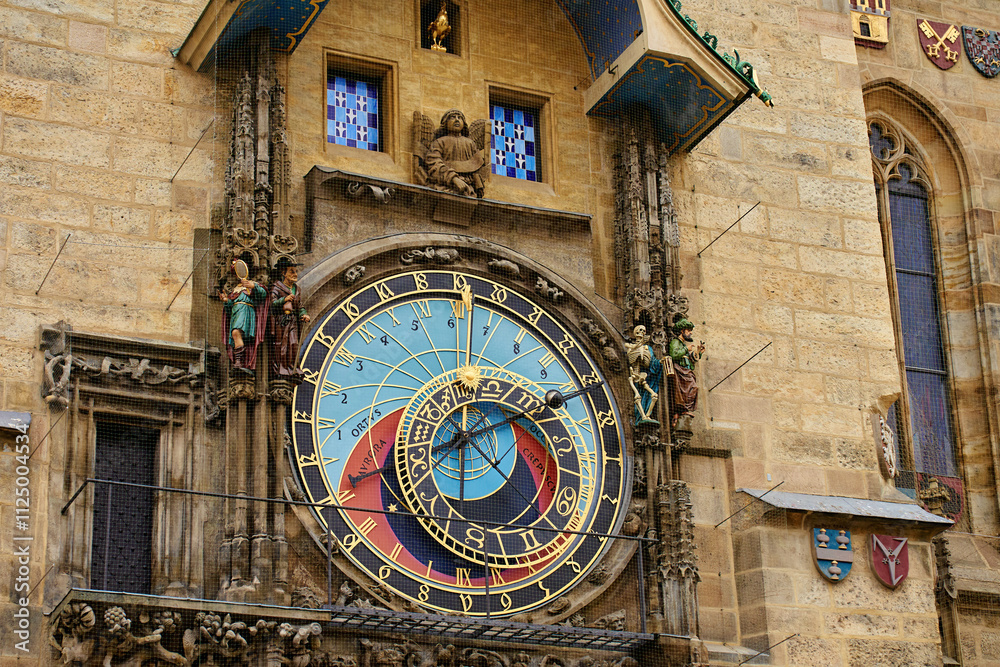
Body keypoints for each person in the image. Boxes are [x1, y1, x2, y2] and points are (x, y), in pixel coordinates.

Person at [219, 262, 268, 373]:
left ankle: (239, 361)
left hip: (246, 311)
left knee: (236, 333)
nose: (237, 275)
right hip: (236, 313)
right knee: (235, 335)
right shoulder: (236, 289)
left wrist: (254, 286)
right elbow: (228, 310)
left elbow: (263, 295)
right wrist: (226, 301)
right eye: (235, 273)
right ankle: (239, 362)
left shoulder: (250, 284)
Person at [425, 109, 485, 198]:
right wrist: (454, 179)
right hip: (446, 186)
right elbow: (434, 164)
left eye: (460, 118)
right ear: (445, 123)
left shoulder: (470, 144)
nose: (457, 120)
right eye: (452, 117)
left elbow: (477, 166)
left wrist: (479, 186)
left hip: (469, 189)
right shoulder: (439, 142)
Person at [269, 258, 310, 382]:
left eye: (296, 271)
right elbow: (272, 303)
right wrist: (284, 300)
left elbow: (300, 306)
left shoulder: (296, 289)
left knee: (293, 344)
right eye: (291, 271)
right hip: (281, 321)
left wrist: (304, 314)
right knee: (282, 345)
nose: (295, 274)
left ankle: (292, 367)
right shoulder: (277, 287)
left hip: (292, 321)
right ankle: (282, 368)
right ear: (283, 273)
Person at [668, 318, 705, 427]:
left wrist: (698, 353)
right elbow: (674, 355)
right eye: (688, 331)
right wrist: (686, 349)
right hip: (679, 372)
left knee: (693, 388)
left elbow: (688, 360)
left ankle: (684, 409)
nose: (690, 333)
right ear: (682, 331)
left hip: (685, 372)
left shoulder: (683, 344)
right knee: (688, 389)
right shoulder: (675, 342)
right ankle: (680, 411)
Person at [626, 324, 662, 426]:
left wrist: (660, 362)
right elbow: (630, 358)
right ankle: (642, 416)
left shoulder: (647, 348)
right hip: (635, 375)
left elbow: (652, 362)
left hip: (645, 375)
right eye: (639, 330)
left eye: (643, 331)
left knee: (654, 395)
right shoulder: (631, 346)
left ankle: (647, 414)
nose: (642, 332)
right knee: (639, 396)